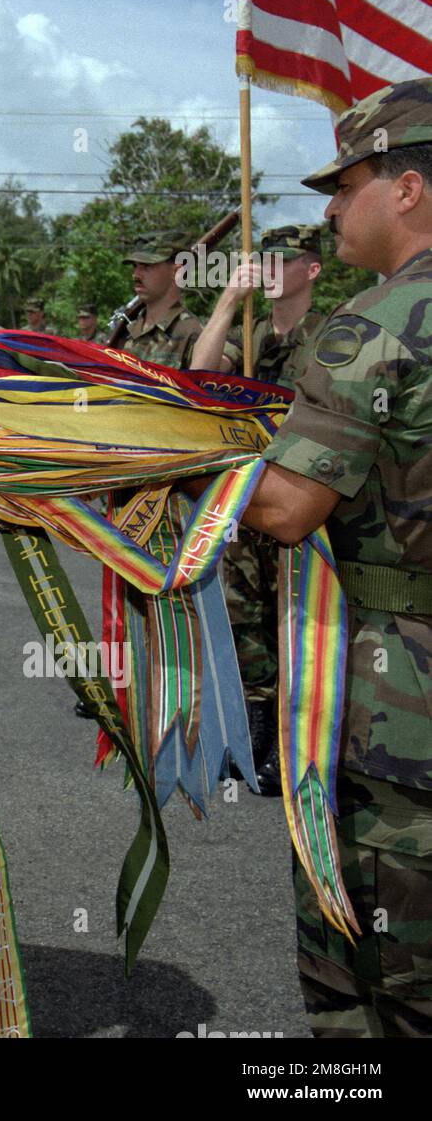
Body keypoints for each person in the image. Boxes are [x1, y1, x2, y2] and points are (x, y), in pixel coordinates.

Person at [215, 78, 432, 1037]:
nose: (331, 207)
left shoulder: (376, 326)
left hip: (396, 699)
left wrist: (154, 463)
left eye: (346, 185)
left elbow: (289, 506)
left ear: (409, 188)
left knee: (376, 973)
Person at [190, 225, 327, 792]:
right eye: (263, 260)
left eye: (282, 260)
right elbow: (199, 379)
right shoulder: (250, 335)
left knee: (296, 623)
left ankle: (293, 747)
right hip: (248, 501)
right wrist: (227, 302)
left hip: (303, 502)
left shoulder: (330, 333)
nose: (270, 269)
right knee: (246, 622)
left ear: (312, 270)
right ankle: (251, 737)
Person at [119, 230, 204, 369]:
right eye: (135, 266)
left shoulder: (193, 334)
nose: (136, 275)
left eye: (146, 266)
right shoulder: (126, 331)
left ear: (177, 272)